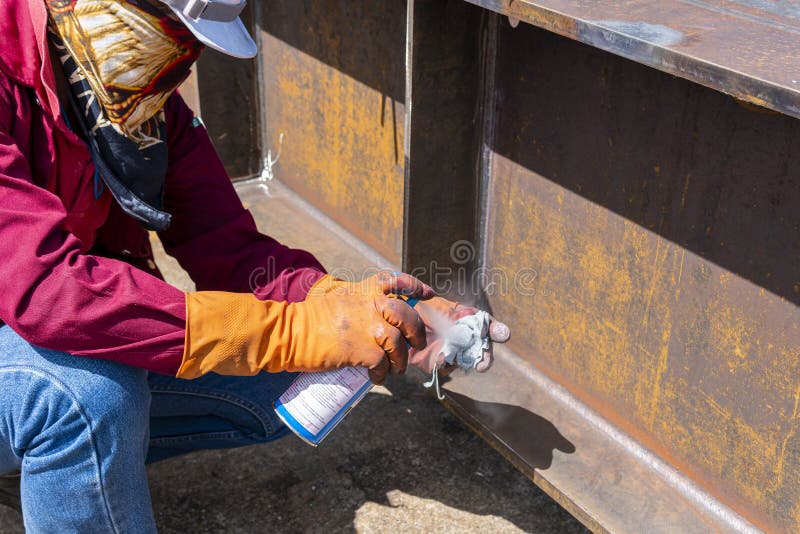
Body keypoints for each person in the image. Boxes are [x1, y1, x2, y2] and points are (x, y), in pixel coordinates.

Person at [0, 0, 510, 531]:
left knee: (292, 381)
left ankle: (48, 457)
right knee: (82, 396)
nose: (177, 58)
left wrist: (345, 305)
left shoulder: (137, 106)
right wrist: (291, 332)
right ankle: (57, 435)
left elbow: (229, 246)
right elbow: (49, 291)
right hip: (25, 323)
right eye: (168, 31)